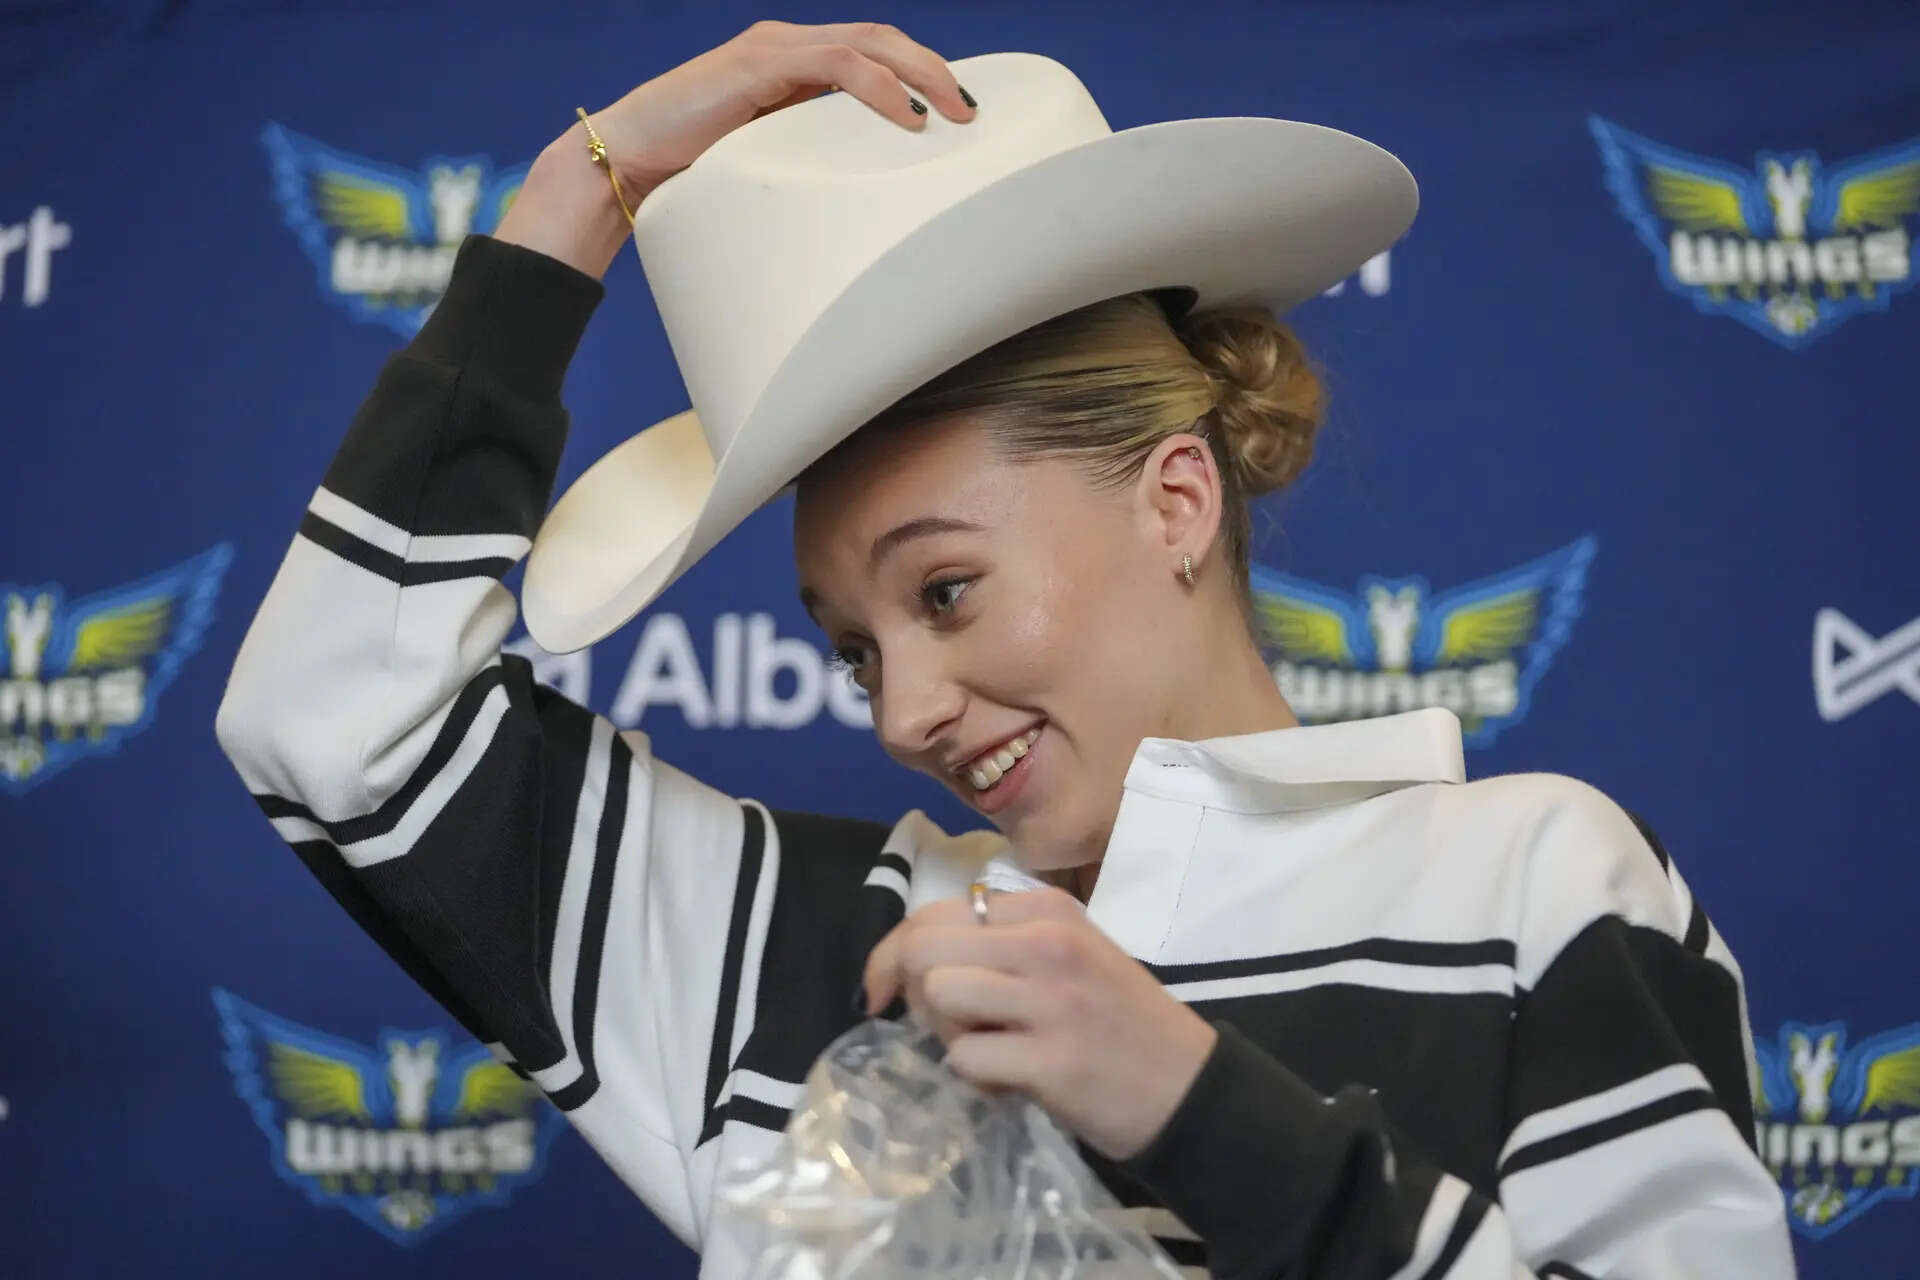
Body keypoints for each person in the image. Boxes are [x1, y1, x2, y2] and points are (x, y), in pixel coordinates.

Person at [214, 19, 1794, 1280]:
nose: (903, 710)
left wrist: (1187, 1101)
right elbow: (338, 723)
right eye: (849, 649)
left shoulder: (1534, 884)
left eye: (947, 593)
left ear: (1177, 498)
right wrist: (584, 191)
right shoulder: (823, 947)